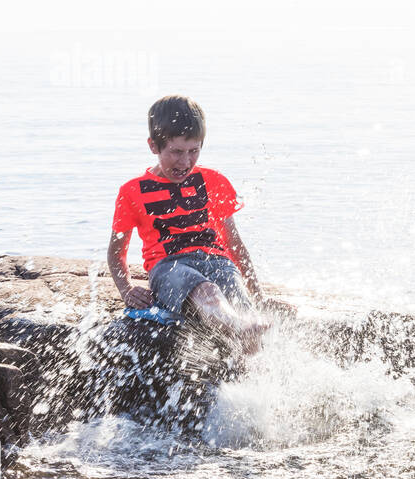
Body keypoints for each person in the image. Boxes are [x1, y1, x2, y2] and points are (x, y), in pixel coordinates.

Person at [107, 95, 293, 354]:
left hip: (218, 261)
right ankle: (237, 326)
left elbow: (234, 243)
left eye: (194, 151)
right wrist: (126, 289)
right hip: (169, 267)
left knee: (239, 302)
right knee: (208, 292)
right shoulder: (131, 191)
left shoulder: (214, 180)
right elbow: (116, 253)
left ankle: (249, 384)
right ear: (153, 146)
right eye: (176, 152)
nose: (185, 162)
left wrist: (258, 296)